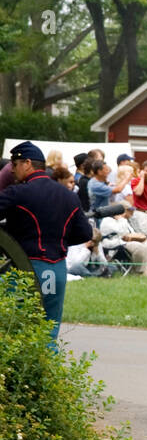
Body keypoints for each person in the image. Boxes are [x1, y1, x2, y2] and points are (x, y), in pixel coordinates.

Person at [0, 141, 94, 345]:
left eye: (14, 165)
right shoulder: (68, 196)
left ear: (26, 164)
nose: (13, 171)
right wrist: (57, 240)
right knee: (48, 333)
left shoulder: (18, 193)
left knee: (13, 331)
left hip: (25, 269)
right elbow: (85, 232)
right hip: (57, 269)